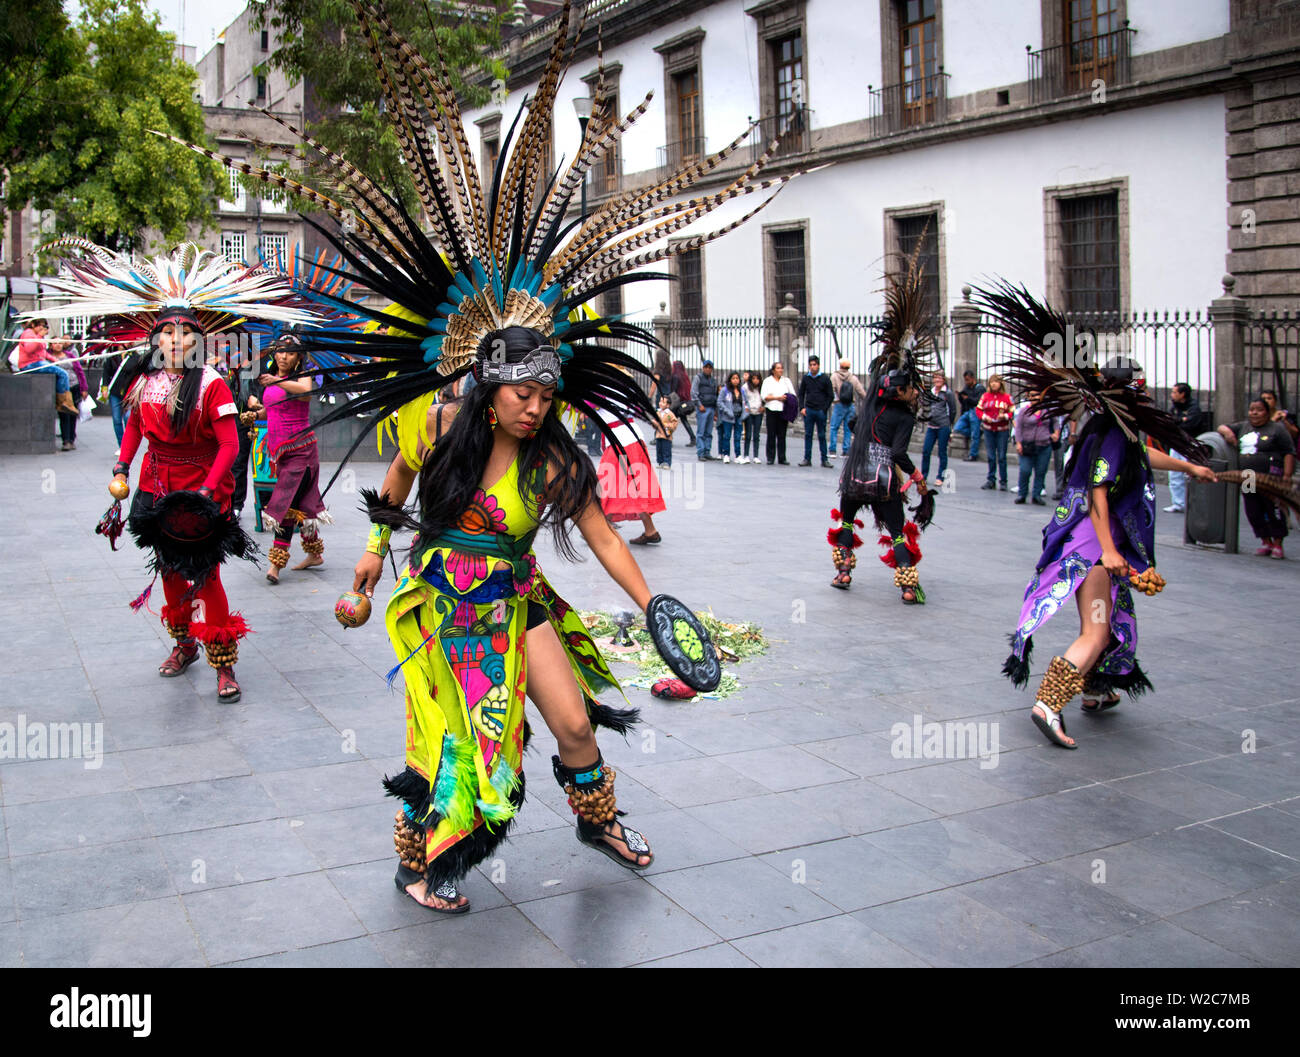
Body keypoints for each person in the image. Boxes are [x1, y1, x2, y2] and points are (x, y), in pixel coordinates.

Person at [203, 8, 776, 912]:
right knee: (463, 747)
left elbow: (604, 533)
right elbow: (390, 496)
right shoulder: (436, 423)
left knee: (577, 719)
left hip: (517, 593)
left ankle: (598, 819)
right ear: (489, 381)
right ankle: (417, 858)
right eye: (521, 390)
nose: (535, 402)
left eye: (546, 391)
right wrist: (361, 569)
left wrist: (658, 605)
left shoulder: (550, 455)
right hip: (446, 600)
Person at [28, 242, 317, 704]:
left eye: (186, 334)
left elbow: (229, 444)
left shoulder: (211, 383)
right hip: (155, 487)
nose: (177, 341)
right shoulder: (145, 381)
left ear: (198, 340)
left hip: (203, 491)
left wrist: (205, 491)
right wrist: (122, 467)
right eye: (169, 333)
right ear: (155, 339)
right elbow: (136, 431)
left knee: (205, 576)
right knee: (168, 570)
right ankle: (184, 644)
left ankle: (224, 661)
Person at [973, 281, 1217, 750]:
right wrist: (1108, 550)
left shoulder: (1116, 431)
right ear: (1133, 394)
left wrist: (1189, 466)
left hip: (1092, 545)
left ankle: (1095, 691)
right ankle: (1048, 703)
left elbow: (1143, 456)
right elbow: (1098, 494)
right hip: (1091, 547)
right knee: (1098, 626)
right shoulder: (1110, 434)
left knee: (1111, 619)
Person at [828, 259, 937, 601]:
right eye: (912, 388)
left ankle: (844, 573)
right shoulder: (903, 418)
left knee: (845, 523)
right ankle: (907, 588)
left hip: (854, 476)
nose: (916, 392)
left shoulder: (870, 406)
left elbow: (853, 424)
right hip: (884, 481)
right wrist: (918, 478)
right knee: (898, 533)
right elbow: (899, 453)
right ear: (900, 391)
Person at [257, 334, 332, 582]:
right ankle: (314, 554)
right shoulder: (273, 381)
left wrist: (277, 381)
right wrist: (255, 412)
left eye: (289, 352)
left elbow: (305, 393)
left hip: (302, 450)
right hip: (281, 453)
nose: (283, 356)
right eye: (279, 351)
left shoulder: (300, 376)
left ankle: (275, 566)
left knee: (284, 505)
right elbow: (274, 409)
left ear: (299, 356)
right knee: (302, 505)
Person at [1218, 398, 1297, 558]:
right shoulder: (1243, 426)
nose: (1254, 413)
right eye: (1252, 409)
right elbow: (1221, 426)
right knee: (1253, 509)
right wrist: (1227, 433)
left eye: (1259, 410)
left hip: (1270, 476)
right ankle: (1265, 541)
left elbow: (1289, 452)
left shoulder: (1277, 429)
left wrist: (1287, 475)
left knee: (1273, 507)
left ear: (1267, 413)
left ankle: (1277, 544)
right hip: (1248, 477)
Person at [598, 405, 666, 544]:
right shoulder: (619, 388)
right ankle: (650, 530)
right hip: (630, 439)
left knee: (612, 484)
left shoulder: (601, 390)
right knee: (628, 485)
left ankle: (601, 528)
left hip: (622, 440)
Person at [16, 319, 77, 415]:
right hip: (30, 364)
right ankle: (64, 402)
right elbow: (29, 349)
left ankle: (66, 402)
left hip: (35, 362)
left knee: (62, 373)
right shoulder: (29, 333)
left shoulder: (36, 335)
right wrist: (40, 336)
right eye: (40, 325)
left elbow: (41, 352)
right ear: (33, 325)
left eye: (44, 326)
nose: (42, 328)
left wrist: (52, 359)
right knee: (63, 373)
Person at [1165, 382, 1208, 513]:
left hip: (1189, 445)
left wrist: (1178, 421)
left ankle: (1193, 504)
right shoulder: (1175, 407)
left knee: (1190, 473)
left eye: (1174, 392)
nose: (1172, 395)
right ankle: (1178, 503)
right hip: (1176, 442)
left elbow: (1191, 424)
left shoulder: (1194, 408)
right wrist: (1180, 420)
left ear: (1182, 394)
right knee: (1174, 475)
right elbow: (1169, 421)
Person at [1012, 388, 1056, 505]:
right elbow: (1018, 428)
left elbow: (1056, 422)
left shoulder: (1047, 410)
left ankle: (1036, 494)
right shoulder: (1023, 411)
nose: (1035, 397)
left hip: (1044, 445)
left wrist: (1056, 433)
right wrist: (1019, 443)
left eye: (1037, 394)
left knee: (1041, 471)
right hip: (1027, 445)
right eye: (1032, 395)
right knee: (1025, 470)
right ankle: (1022, 493)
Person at [920, 369, 958, 486]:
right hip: (932, 425)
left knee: (942, 452)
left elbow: (953, 410)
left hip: (943, 425)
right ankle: (923, 476)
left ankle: (940, 477)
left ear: (943, 379)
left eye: (939, 378)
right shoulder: (931, 392)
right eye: (935, 378)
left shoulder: (948, 393)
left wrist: (948, 423)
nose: (937, 380)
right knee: (926, 451)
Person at [49, 336, 88, 450]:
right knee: (63, 415)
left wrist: (84, 388)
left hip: (74, 386)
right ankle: (65, 440)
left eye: (60, 343)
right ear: (51, 345)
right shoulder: (48, 356)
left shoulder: (69, 355)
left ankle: (71, 439)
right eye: (55, 343)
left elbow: (79, 371)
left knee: (72, 414)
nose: (58, 345)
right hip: (61, 390)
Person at [977, 374, 1013, 490]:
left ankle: (1003, 481)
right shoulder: (985, 396)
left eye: (996, 382)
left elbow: (1012, 411)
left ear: (1000, 383)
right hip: (989, 429)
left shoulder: (1007, 397)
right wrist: (984, 417)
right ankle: (991, 479)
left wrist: (1005, 416)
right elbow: (978, 410)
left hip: (1002, 430)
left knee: (1002, 456)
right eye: (991, 382)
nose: (993, 384)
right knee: (991, 456)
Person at [797, 354, 833, 467]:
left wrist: (824, 409)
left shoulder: (825, 378)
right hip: (809, 410)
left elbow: (830, 395)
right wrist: (802, 407)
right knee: (808, 434)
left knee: (822, 435)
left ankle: (824, 459)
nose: (812, 367)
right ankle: (807, 458)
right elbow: (801, 393)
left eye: (814, 365)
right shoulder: (806, 378)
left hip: (820, 410)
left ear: (818, 365)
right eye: (811, 365)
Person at [828, 357, 866, 458]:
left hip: (839, 404)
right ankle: (846, 451)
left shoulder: (834, 376)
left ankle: (832, 451)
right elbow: (861, 392)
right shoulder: (853, 378)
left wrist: (834, 400)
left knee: (834, 427)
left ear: (840, 365)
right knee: (848, 428)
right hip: (850, 405)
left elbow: (831, 390)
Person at [761, 361, 796, 464]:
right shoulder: (767, 381)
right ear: (773, 370)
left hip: (782, 409)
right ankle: (770, 457)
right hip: (771, 409)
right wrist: (777, 397)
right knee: (771, 434)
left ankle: (782, 457)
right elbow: (764, 396)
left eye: (781, 368)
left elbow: (792, 394)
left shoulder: (786, 381)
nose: (780, 370)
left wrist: (786, 398)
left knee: (782, 435)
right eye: (778, 368)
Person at [691, 359, 719, 460]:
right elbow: (693, 393)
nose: (707, 369)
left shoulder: (713, 380)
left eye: (709, 367)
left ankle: (707, 451)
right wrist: (699, 405)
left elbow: (716, 394)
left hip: (711, 407)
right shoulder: (698, 378)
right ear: (703, 368)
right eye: (706, 367)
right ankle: (701, 452)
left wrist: (716, 411)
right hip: (702, 407)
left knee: (708, 432)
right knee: (701, 432)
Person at [953, 370, 985, 460]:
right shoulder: (966, 388)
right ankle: (977, 433)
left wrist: (968, 398)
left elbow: (979, 402)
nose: (966, 382)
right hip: (968, 412)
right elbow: (963, 402)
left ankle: (973, 454)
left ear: (972, 379)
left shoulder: (980, 388)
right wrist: (960, 396)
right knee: (958, 428)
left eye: (967, 380)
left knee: (975, 435)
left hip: (975, 411)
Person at [717, 370, 745, 463]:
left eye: (737, 378)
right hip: (728, 417)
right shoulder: (725, 390)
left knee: (737, 436)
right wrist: (727, 411)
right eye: (733, 378)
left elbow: (745, 402)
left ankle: (738, 455)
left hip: (739, 416)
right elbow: (719, 402)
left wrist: (744, 413)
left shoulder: (742, 391)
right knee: (727, 436)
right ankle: (726, 454)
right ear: (730, 380)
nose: (735, 380)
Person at [741, 370, 764, 464]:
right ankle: (746, 455)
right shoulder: (745, 387)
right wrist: (746, 408)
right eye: (753, 378)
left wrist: (763, 406)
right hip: (749, 412)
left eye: (757, 378)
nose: (755, 380)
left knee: (756, 434)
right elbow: (742, 399)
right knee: (748, 434)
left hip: (758, 412)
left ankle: (756, 455)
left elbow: (764, 397)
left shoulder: (761, 387)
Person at [652, 394, 678, 468]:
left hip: (667, 435)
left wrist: (666, 425)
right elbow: (655, 421)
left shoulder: (670, 414)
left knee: (666, 449)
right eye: (660, 401)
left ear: (668, 405)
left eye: (663, 402)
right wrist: (654, 423)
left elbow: (674, 423)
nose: (660, 403)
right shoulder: (657, 412)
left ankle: (667, 462)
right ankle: (660, 462)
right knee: (659, 449)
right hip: (658, 434)